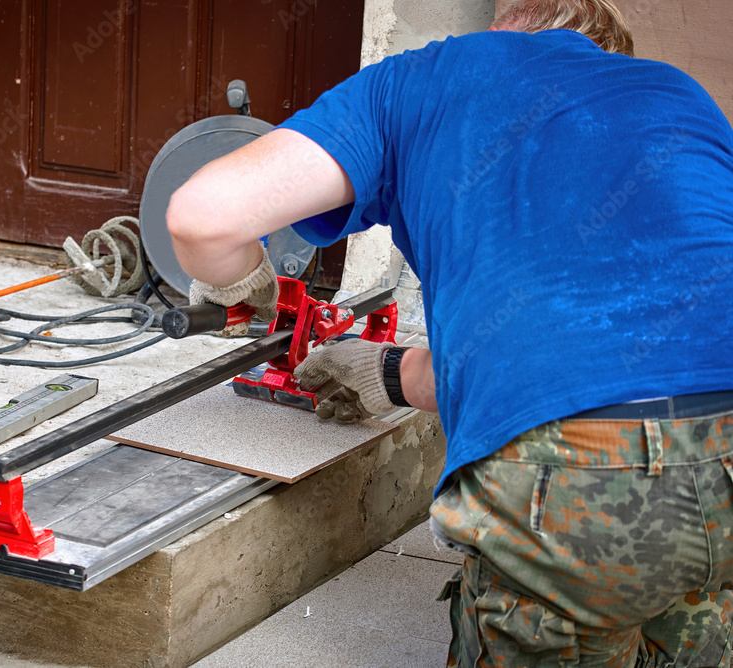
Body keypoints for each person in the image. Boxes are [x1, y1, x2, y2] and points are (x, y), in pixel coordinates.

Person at [166, 0, 733, 665]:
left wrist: (245, 285)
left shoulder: (430, 76)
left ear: (502, 28)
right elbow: (588, 361)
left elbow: (203, 218)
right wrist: (385, 375)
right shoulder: (679, 93)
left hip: (570, 486)